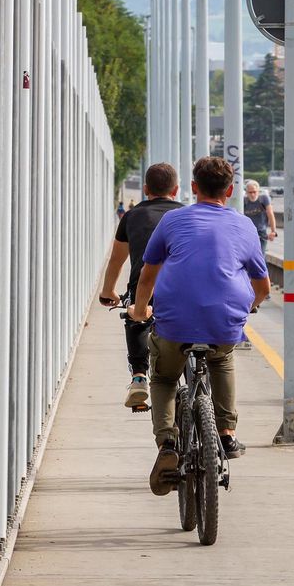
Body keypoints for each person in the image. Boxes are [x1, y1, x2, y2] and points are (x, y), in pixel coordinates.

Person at [130, 156, 271, 495]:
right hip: (224, 320)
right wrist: (249, 308)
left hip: (174, 319)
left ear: (193, 188)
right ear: (232, 190)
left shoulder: (173, 220)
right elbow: (262, 286)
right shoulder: (244, 226)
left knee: (163, 376)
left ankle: (167, 442)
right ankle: (226, 433)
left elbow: (148, 274)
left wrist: (139, 309)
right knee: (222, 358)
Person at [99, 164, 183, 409]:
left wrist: (108, 292)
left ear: (145, 189)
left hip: (144, 286)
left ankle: (138, 375)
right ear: (176, 190)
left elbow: (117, 259)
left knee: (136, 311)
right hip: (182, 289)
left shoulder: (132, 216)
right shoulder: (185, 214)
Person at [243, 179, 278, 256]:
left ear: (258, 191)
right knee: (248, 256)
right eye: (250, 192)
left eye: (254, 192)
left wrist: (273, 231)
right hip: (248, 232)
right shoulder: (243, 201)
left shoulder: (264, 199)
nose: (252, 195)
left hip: (261, 232)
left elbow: (270, 214)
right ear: (246, 192)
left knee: (261, 255)